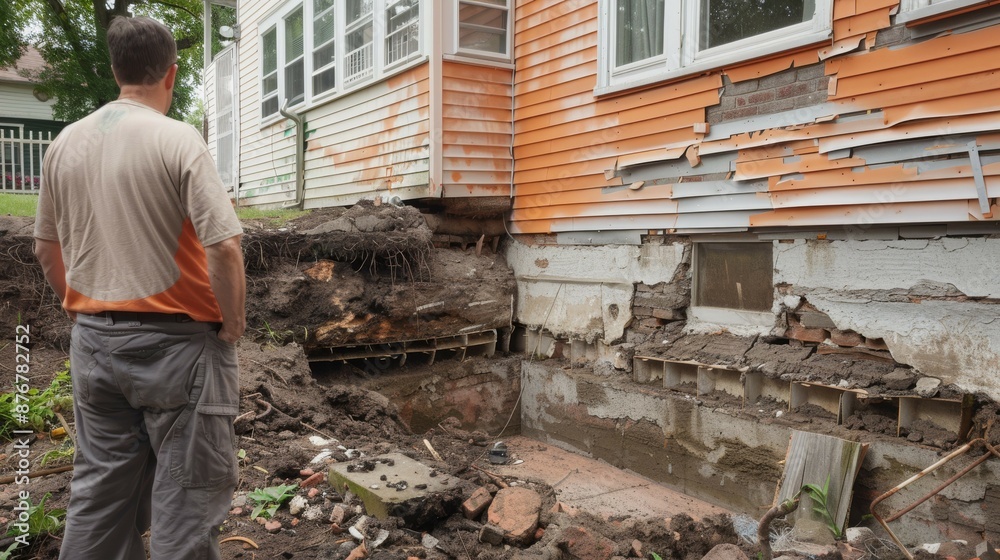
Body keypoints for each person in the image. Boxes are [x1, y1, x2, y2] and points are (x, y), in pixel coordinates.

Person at [33, 16, 245, 560]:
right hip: (178, 349)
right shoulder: (178, 140)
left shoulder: (64, 144)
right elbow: (223, 246)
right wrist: (233, 324)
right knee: (187, 499)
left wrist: (80, 313)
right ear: (171, 74)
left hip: (94, 347)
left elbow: (46, 249)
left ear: (114, 70)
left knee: (99, 494)